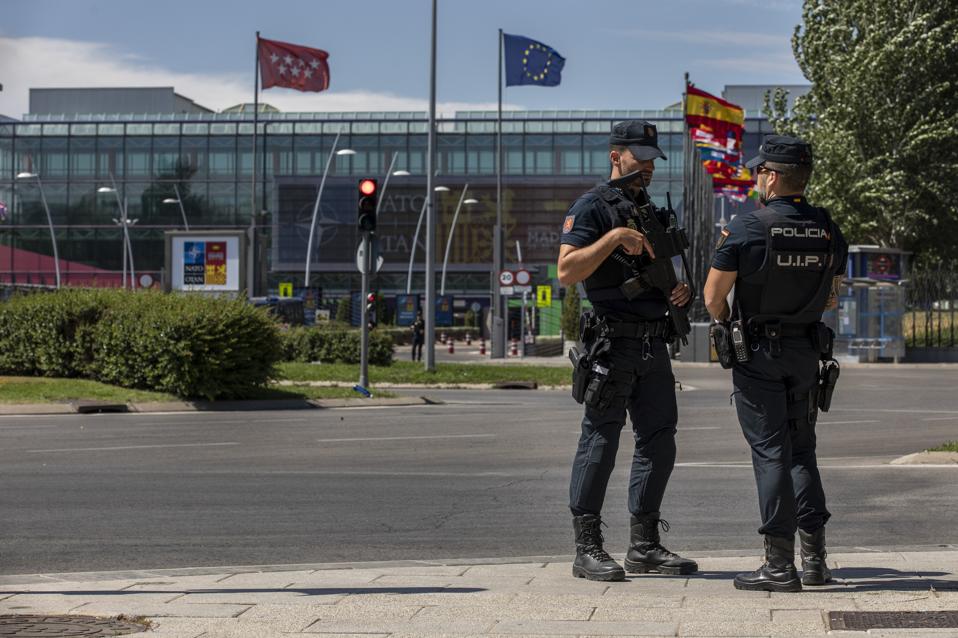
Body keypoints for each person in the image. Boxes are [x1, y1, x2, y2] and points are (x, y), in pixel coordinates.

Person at [703, 135, 848, 592]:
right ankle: (816, 561)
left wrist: (732, 322)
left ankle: (779, 565)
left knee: (770, 452)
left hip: (760, 353)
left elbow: (712, 298)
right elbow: (831, 292)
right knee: (802, 451)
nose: (755, 180)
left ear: (771, 175)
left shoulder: (747, 227)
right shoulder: (827, 228)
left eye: (758, 172)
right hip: (807, 350)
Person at [557, 120, 697, 582]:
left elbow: (669, 270)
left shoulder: (651, 211)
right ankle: (587, 547)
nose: (648, 167)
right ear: (616, 155)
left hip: (653, 341)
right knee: (600, 438)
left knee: (660, 439)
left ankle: (644, 545)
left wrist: (682, 290)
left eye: (653, 159)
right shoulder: (593, 207)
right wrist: (614, 238)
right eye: (639, 158)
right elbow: (566, 271)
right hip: (611, 342)